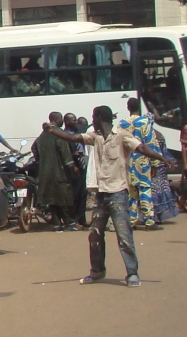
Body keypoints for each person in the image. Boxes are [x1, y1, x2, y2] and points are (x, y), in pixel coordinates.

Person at [50, 106, 168, 288]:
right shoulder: (94, 137)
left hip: (118, 193)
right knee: (95, 235)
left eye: (93, 117)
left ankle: (132, 273)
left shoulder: (121, 135)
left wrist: (162, 158)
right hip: (101, 194)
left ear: (99, 118)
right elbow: (73, 137)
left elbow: (142, 147)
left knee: (124, 236)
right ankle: (97, 271)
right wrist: (52, 130)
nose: (92, 120)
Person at [31, 112, 78, 231]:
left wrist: (40, 162)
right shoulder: (59, 135)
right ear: (57, 120)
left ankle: (56, 223)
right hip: (60, 173)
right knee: (64, 198)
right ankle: (69, 223)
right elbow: (66, 155)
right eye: (61, 119)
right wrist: (73, 168)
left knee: (51, 199)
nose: (62, 121)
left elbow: (34, 148)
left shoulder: (42, 136)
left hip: (45, 173)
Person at [119, 98, 157, 229]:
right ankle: (149, 220)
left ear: (128, 107)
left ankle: (132, 219)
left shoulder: (122, 123)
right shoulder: (145, 122)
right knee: (145, 189)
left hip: (128, 161)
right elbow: (150, 142)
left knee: (131, 191)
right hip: (143, 160)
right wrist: (155, 162)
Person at [63, 113, 88, 228]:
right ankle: (75, 219)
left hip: (82, 166)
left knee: (83, 194)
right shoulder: (65, 136)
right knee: (76, 195)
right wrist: (74, 156)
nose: (76, 122)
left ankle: (82, 219)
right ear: (67, 122)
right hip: (74, 168)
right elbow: (65, 154)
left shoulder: (77, 134)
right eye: (73, 120)